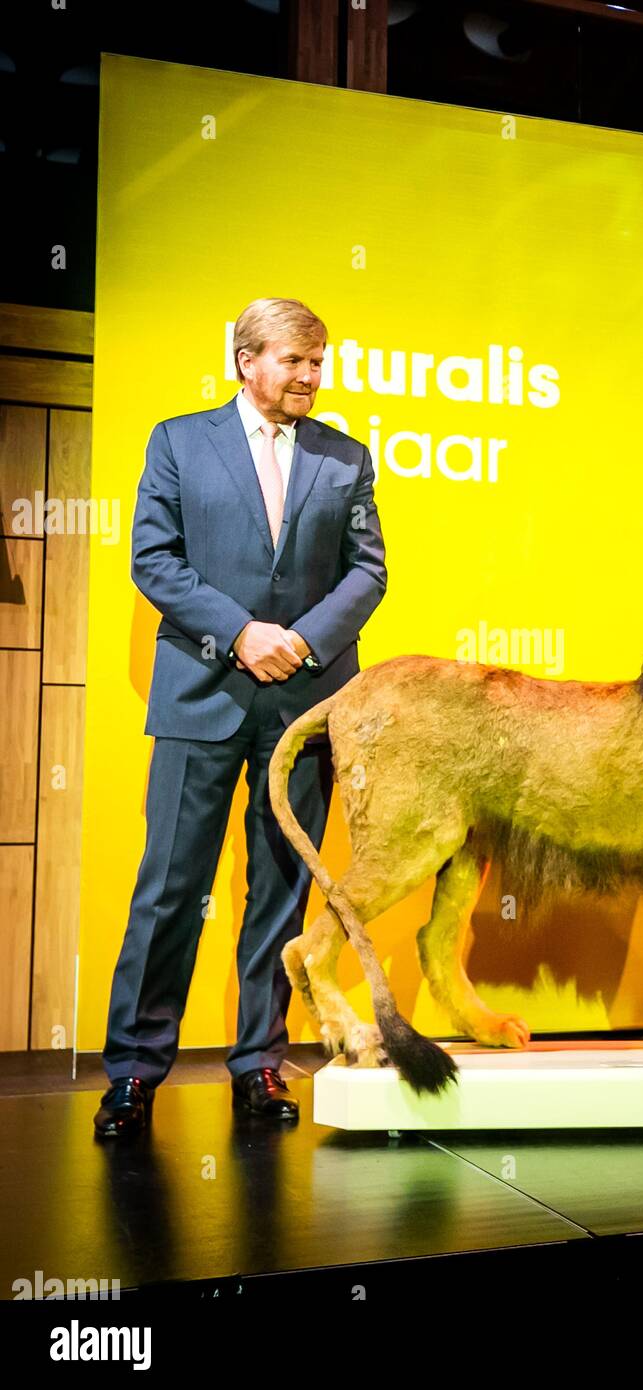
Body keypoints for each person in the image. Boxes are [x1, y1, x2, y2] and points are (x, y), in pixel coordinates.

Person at [93, 297, 386, 1138]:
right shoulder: (178, 441)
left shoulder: (347, 456)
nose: (310, 377)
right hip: (199, 699)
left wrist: (298, 640)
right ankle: (135, 1072)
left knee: (280, 894)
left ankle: (260, 1063)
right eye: (295, 360)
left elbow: (368, 572)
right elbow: (153, 559)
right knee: (168, 891)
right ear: (245, 360)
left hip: (302, 707)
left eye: (319, 361)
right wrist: (240, 633)